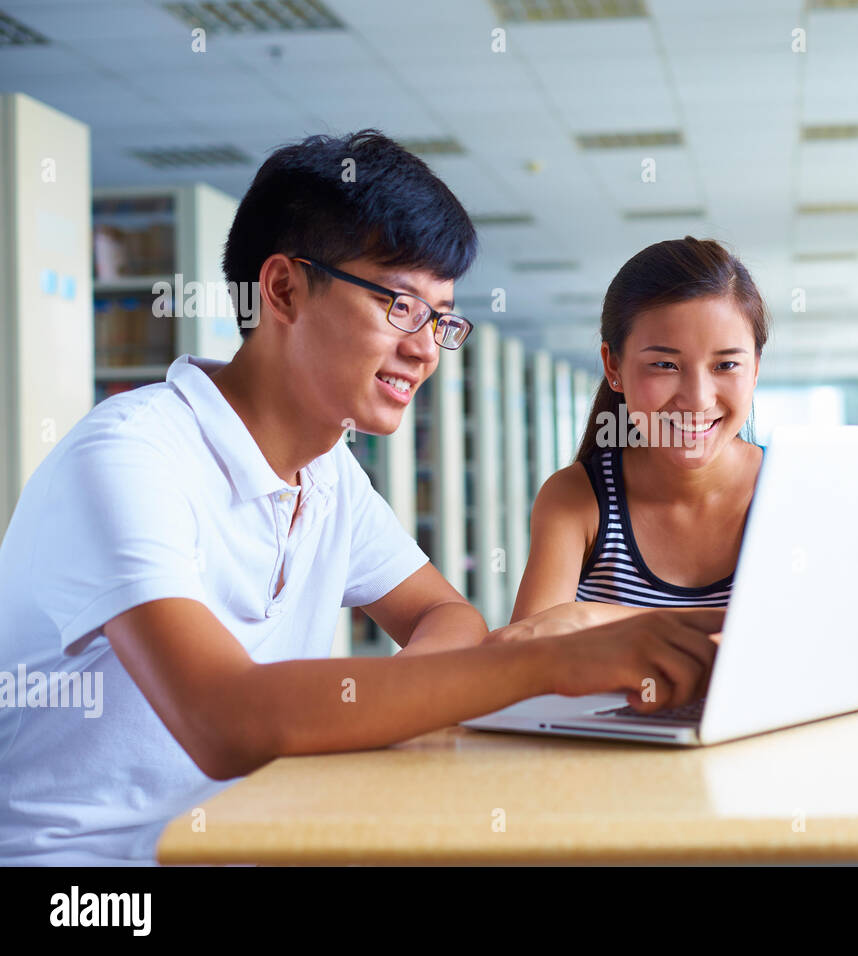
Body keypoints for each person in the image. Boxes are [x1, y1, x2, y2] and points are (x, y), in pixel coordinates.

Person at [0, 131, 720, 865]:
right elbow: (223, 721)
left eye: (441, 319)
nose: (426, 348)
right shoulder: (130, 456)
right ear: (282, 289)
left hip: (256, 839)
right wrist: (550, 664)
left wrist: (406, 693)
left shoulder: (331, 474)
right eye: (401, 306)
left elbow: (446, 614)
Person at [509, 237, 768, 629]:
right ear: (613, 367)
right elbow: (524, 652)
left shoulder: (792, 487)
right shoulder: (578, 498)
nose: (697, 399)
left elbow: (823, 635)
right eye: (665, 364)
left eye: (726, 365)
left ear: (755, 369)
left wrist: (588, 616)